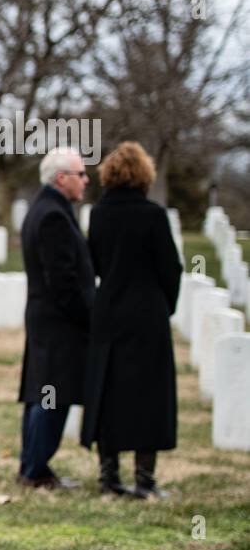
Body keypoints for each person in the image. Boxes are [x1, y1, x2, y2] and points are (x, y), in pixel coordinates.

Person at [80, 142, 182, 498]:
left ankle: (109, 478)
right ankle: (145, 481)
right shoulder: (153, 215)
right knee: (148, 395)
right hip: (147, 314)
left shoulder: (98, 214)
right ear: (144, 174)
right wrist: (164, 305)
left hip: (109, 310)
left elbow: (93, 263)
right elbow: (171, 268)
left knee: (108, 391)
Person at [17, 147, 94, 490]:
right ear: (62, 178)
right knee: (52, 395)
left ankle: (32, 466)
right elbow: (62, 279)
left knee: (42, 393)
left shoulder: (48, 208)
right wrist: (86, 316)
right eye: (81, 174)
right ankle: (35, 470)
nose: (86, 180)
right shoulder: (53, 215)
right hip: (58, 322)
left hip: (47, 319)